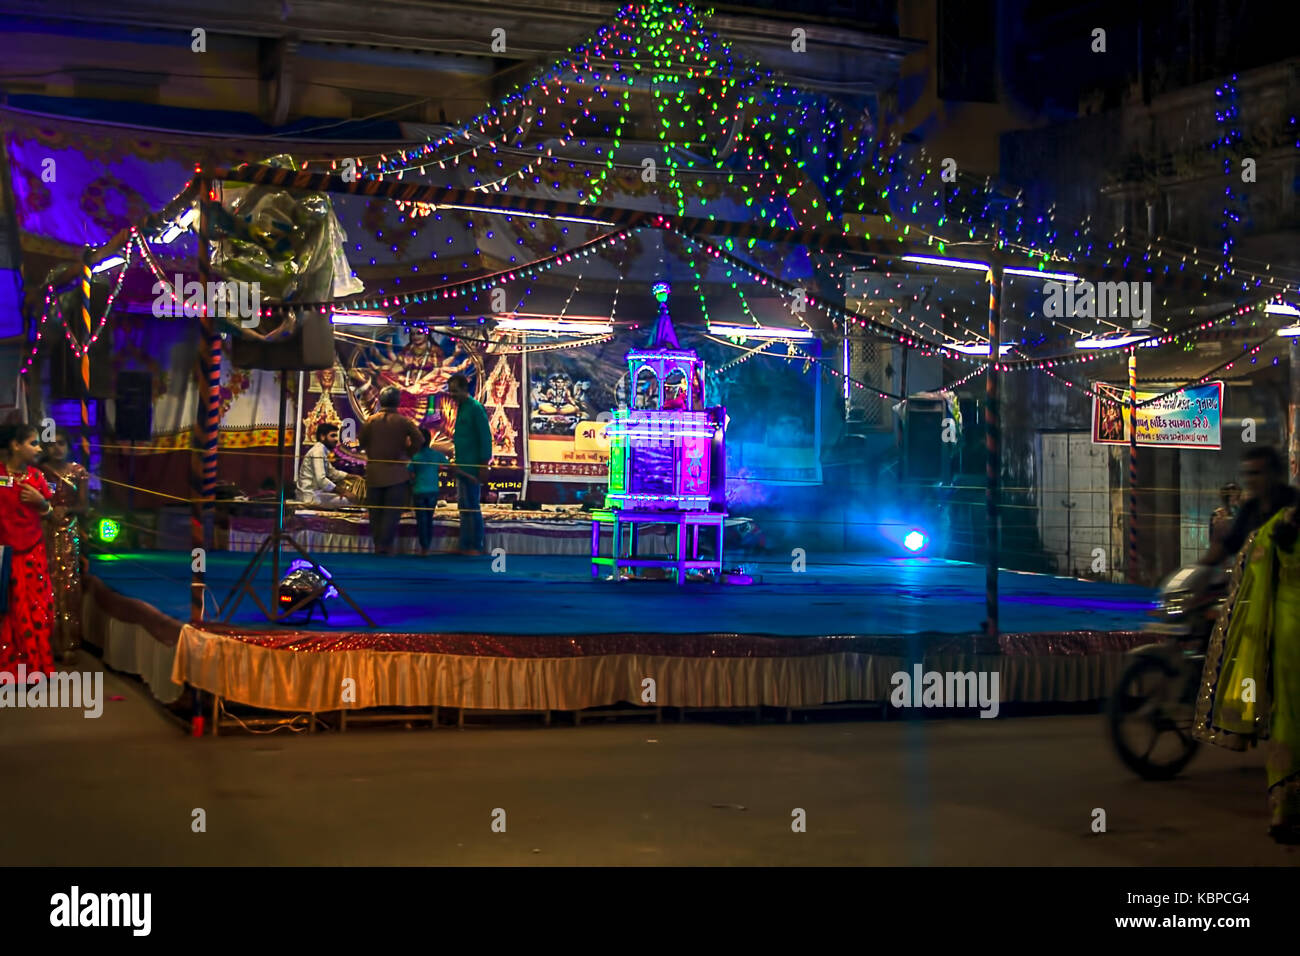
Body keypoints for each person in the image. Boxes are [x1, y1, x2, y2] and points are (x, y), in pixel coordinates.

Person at [1193, 445, 1300, 842]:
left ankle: (1283, 807)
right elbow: (1223, 551)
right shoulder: (1252, 516)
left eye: (1257, 474)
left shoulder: (1283, 518)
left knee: (1288, 715)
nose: (1251, 482)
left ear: (1275, 474)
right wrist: (1195, 573)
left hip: (1279, 627)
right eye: (1247, 475)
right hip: (1268, 623)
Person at [0, 423, 56, 682]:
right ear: (15, 445)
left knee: (35, 611)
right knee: (7, 611)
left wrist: (41, 503)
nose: (39, 448)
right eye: (33, 443)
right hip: (4, 556)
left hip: (32, 553)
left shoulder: (37, 478)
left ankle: (35, 671)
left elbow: (52, 516)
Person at [40, 431, 90, 664]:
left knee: (68, 582)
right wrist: (49, 512)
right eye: (51, 445)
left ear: (68, 446)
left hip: (68, 530)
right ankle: (47, 643)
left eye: (61, 443)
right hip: (43, 529)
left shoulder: (78, 472)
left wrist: (67, 511)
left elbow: (83, 507)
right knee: (46, 581)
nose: (56, 449)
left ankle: (69, 643)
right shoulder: (39, 472)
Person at [358, 386, 422, 555]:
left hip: (374, 473)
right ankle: (385, 546)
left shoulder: (370, 421)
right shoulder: (404, 422)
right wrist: (408, 453)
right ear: (398, 402)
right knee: (391, 513)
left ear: (380, 401)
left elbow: (362, 442)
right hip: (397, 474)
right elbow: (419, 440)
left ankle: (378, 545)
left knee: (375, 512)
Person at [448, 373, 493, 555]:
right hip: (461, 467)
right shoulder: (461, 407)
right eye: (450, 391)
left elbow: (485, 437)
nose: (452, 395)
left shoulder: (475, 408)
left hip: (473, 468)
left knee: (472, 506)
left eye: (455, 391)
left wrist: (483, 465)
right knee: (463, 507)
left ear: (465, 389)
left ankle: (476, 545)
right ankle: (465, 545)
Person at [409, 426, 450, 556]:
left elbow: (409, 473)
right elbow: (448, 465)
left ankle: (424, 548)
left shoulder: (416, 457)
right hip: (433, 491)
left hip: (419, 491)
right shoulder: (436, 455)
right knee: (429, 519)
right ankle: (427, 546)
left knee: (421, 520)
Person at [297, 422, 350, 506]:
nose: (336, 439)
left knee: (347, 498)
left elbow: (332, 472)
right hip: (310, 496)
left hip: (316, 494)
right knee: (348, 501)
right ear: (322, 437)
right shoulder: (318, 451)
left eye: (337, 436)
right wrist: (342, 491)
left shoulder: (322, 450)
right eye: (333, 436)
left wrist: (351, 476)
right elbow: (321, 480)